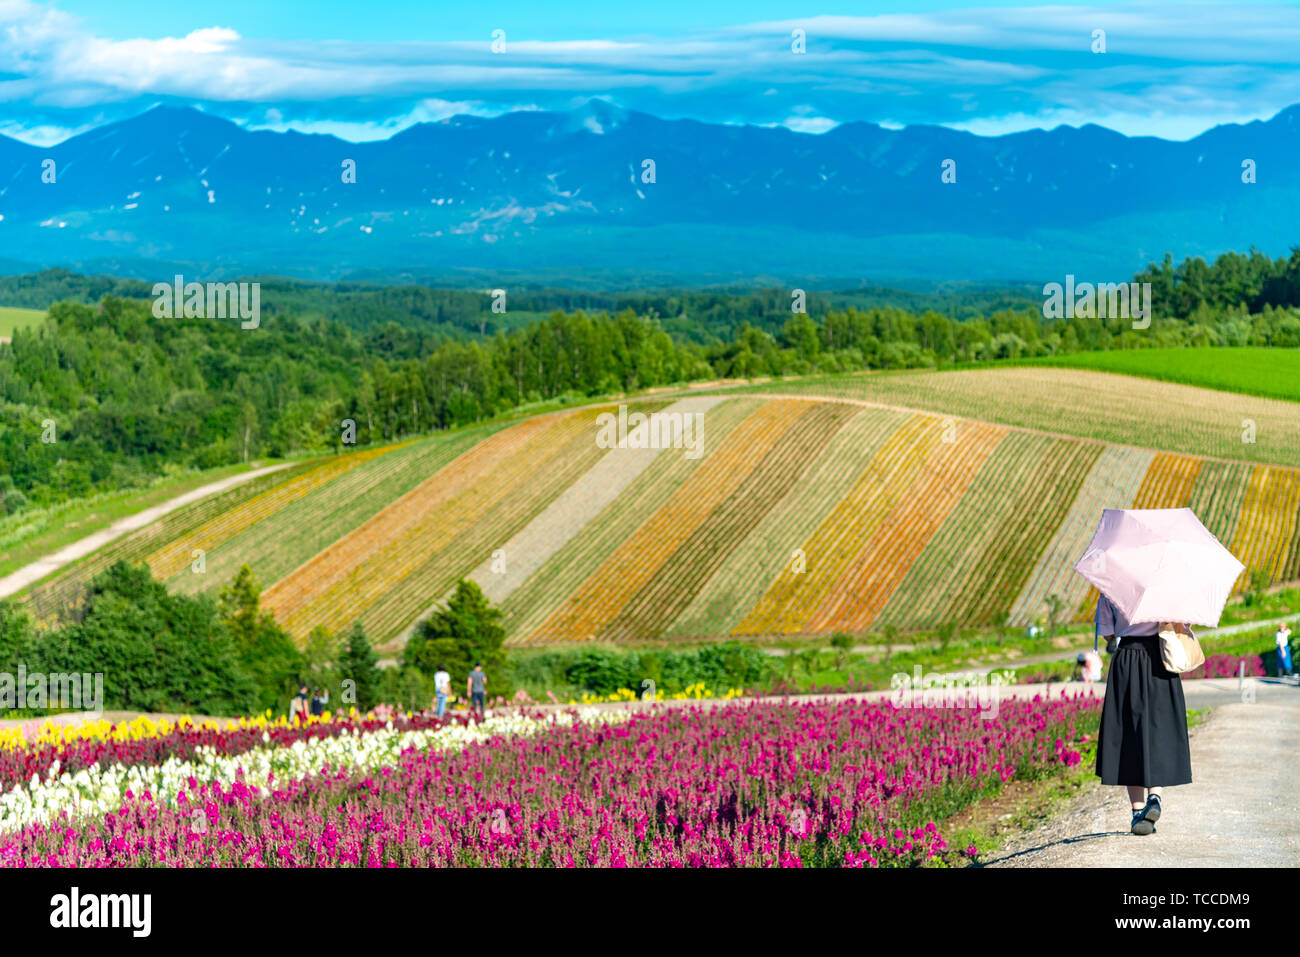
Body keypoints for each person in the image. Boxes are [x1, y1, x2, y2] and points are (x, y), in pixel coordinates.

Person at [1095, 594, 1192, 836]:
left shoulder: (1111, 586)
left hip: (1127, 658)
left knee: (1129, 733)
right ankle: (1155, 796)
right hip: (1160, 659)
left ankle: (1137, 812)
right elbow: (1181, 624)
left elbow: (1107, 634)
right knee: (1159, 729)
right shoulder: (1164, 584)